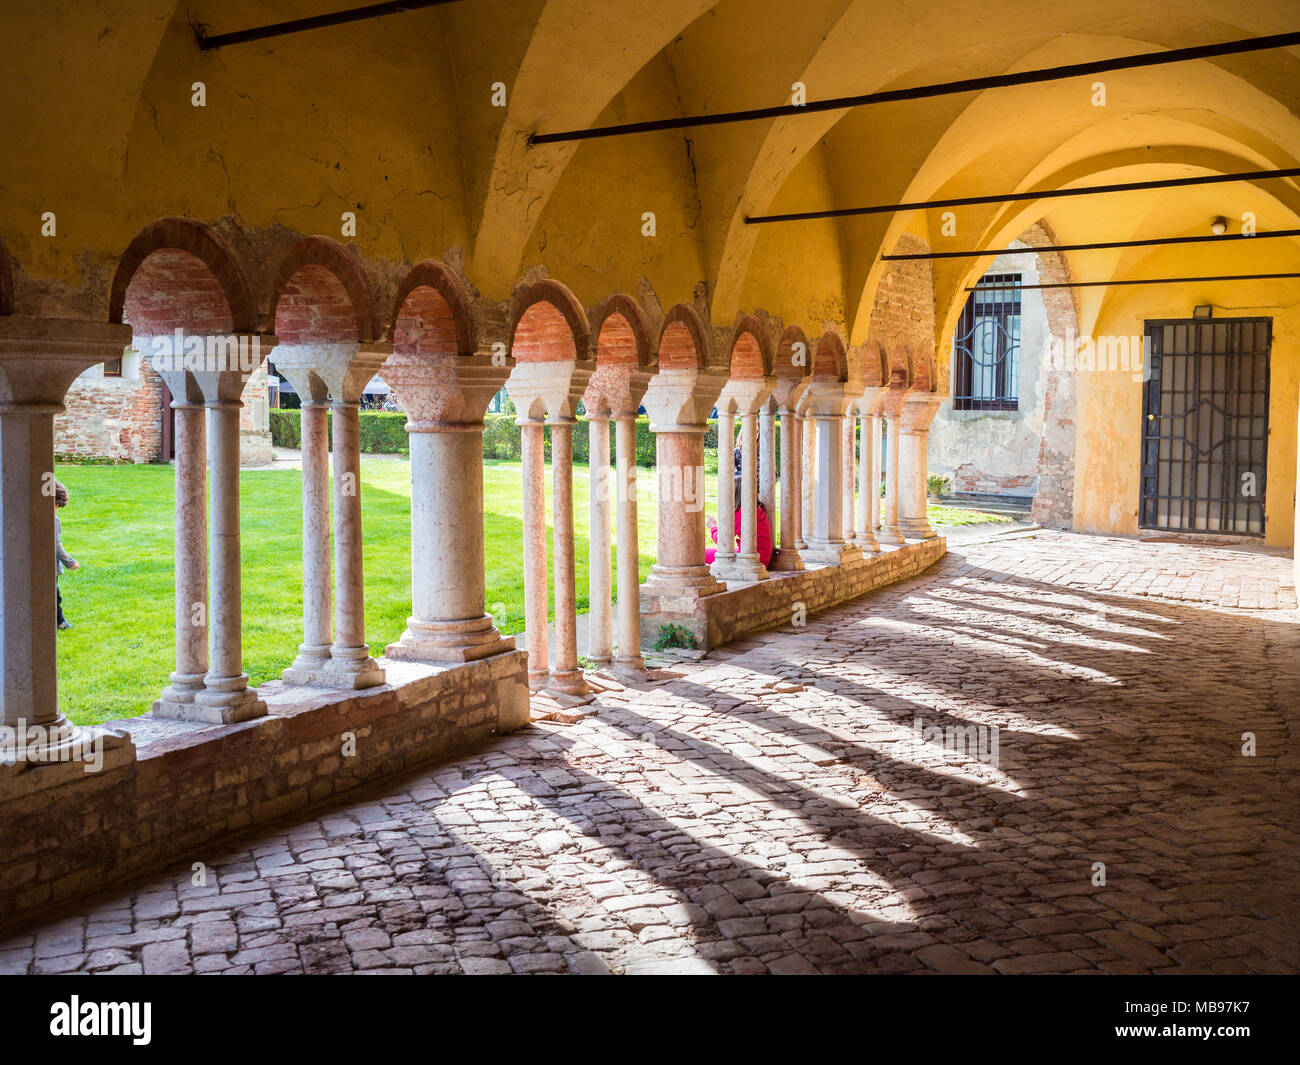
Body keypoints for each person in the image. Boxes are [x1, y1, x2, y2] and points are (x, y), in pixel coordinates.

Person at [706, 473, 774, 567]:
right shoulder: (757, 509)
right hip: (762, 558)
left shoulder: (742, 513)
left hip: (751, 560)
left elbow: (723, 541)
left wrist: (713, 526)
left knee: (700, 554)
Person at [54, 480, 80, 630]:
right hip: (49, 568)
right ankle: (60, 622)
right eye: (57, 506)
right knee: (55, 596)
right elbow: (56, 545)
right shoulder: (54, 520)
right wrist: (70, 562)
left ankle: (59, 621)